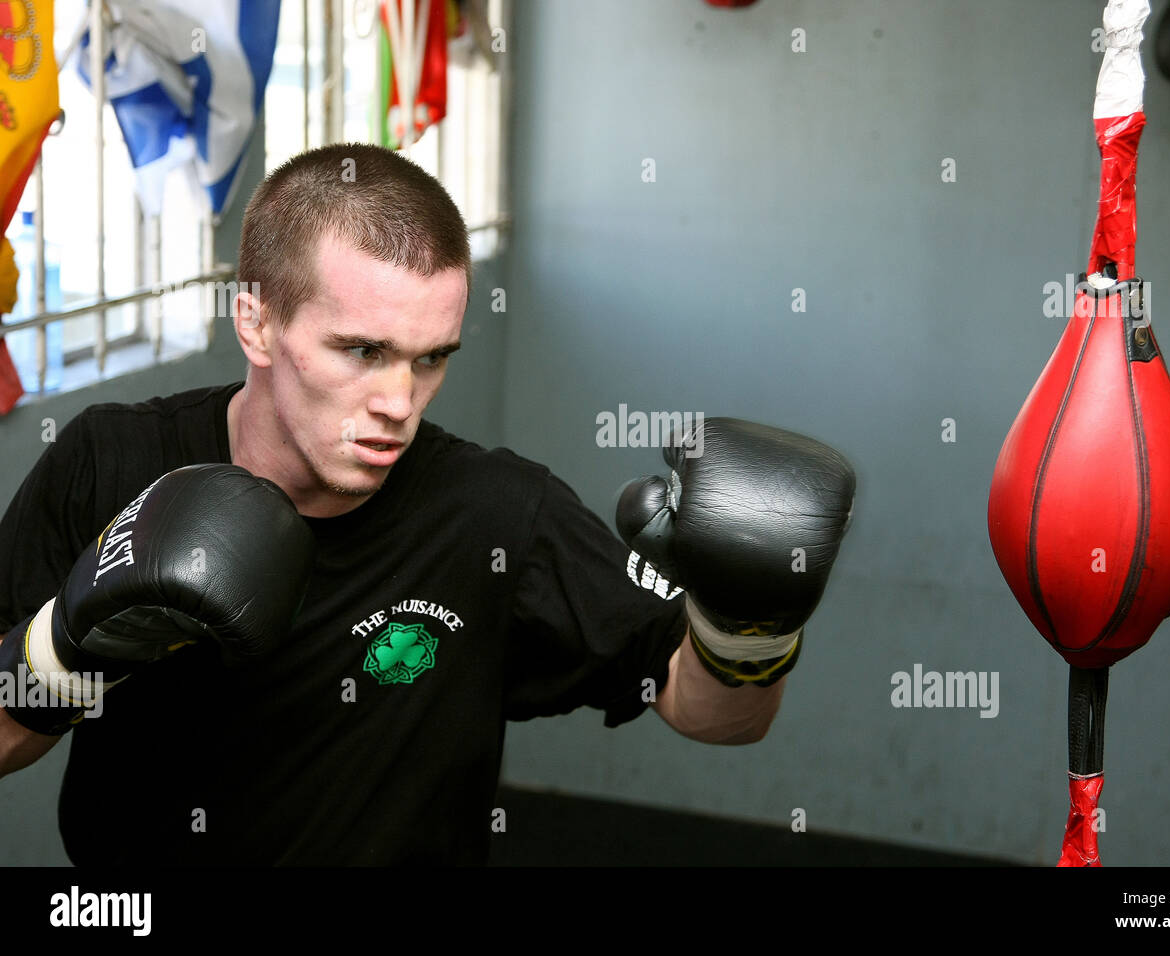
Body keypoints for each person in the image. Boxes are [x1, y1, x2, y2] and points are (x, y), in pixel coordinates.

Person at [0, 143, 854, 865]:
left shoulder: (495, 513)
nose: (400, 402)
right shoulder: (111, 460)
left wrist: (750, 624)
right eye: (362, 351)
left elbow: (713, 716)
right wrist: (70, 648)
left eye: (430, 357)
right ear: (255, 322)